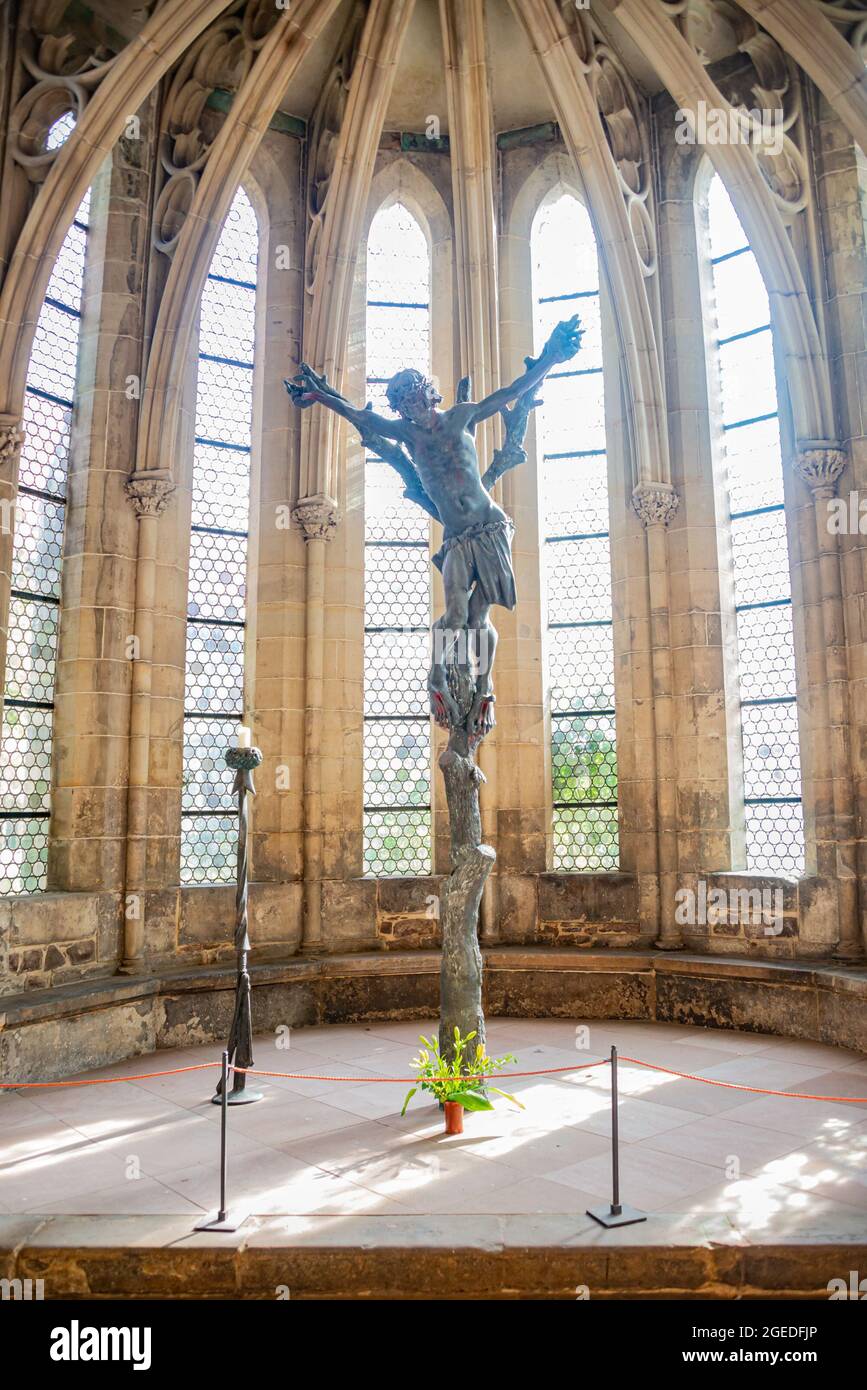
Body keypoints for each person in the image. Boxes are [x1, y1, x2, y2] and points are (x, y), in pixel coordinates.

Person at [286, 314, 582, 738]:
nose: (411, 405)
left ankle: (484, 690)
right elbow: (361, 418)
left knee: (479, 620)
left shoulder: (460, 416)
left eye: (415, 395)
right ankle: (436, 679)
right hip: (458, 536)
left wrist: (551, 357)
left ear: (428, 391)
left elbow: (513, 392)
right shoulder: (408, 436)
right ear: (398, 407)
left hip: (491, 527)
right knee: (456, 614)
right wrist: (318, 395)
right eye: (402, 401)